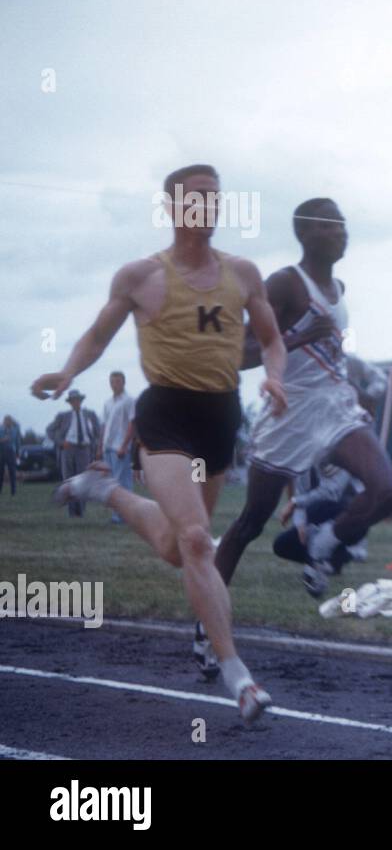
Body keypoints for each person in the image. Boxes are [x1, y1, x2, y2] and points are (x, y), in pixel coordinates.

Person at [30, 163, 289, 723]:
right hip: (165, 414)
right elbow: (99, 335)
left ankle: (105, 490)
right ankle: (237, 674)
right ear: (172, 208)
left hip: (219, 420)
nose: (210, 206)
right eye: (197, 197)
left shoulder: (243, 274)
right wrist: (68, 372)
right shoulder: (140, 276)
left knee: (178, 548)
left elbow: (271, 339)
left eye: (216, 197)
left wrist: (274, 376)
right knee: (199, 540)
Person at [212, 198, 392, 613]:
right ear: (304, 234)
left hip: (335, 409)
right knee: (250, 524)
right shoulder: (285, 284)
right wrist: (297, 336)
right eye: (327, 226)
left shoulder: (341, 290)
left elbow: (330, 353)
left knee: (388, 493)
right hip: (289, 413)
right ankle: (207, 624)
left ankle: (324, 544)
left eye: (342, 224)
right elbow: (240, 355)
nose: (339, 232)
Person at [45, 389, 101, 517]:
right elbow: (49, 430)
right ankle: (72, 512)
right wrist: (60, 442)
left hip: (85, 449)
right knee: (69, 480)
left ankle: (81, 511)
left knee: (83, 480)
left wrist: (96, 445)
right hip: (68, 449)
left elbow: (99, 433)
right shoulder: (63, 416)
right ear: (70, 402)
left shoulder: (90, 415)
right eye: (73, 400)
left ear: (81, 401)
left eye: (77, 400)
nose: (75, 402)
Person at [99, 370, 136, 524]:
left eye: (118, 381)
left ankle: (126, 516)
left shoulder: (129, 400)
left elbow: (132, 423)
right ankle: (117, 515)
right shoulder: (108, 403)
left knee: (122, 482)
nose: (115, 384)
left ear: (124, 382)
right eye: (112, 382)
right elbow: (104, 425)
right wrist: (99, 446)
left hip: (120, 447)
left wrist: (124, 445)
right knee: (112, 483)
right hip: (108, 447)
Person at [0, 416, 20, 497]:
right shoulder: (0, 430)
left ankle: (13, 491)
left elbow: (17, 442)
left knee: (12, 472)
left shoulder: (15, 430)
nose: (8, 422)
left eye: (9, 421)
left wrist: (18, 453)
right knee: (0, 472)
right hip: (1, 452)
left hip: (11, 452)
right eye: (6, 421)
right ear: (4, 421)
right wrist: (3, 440)